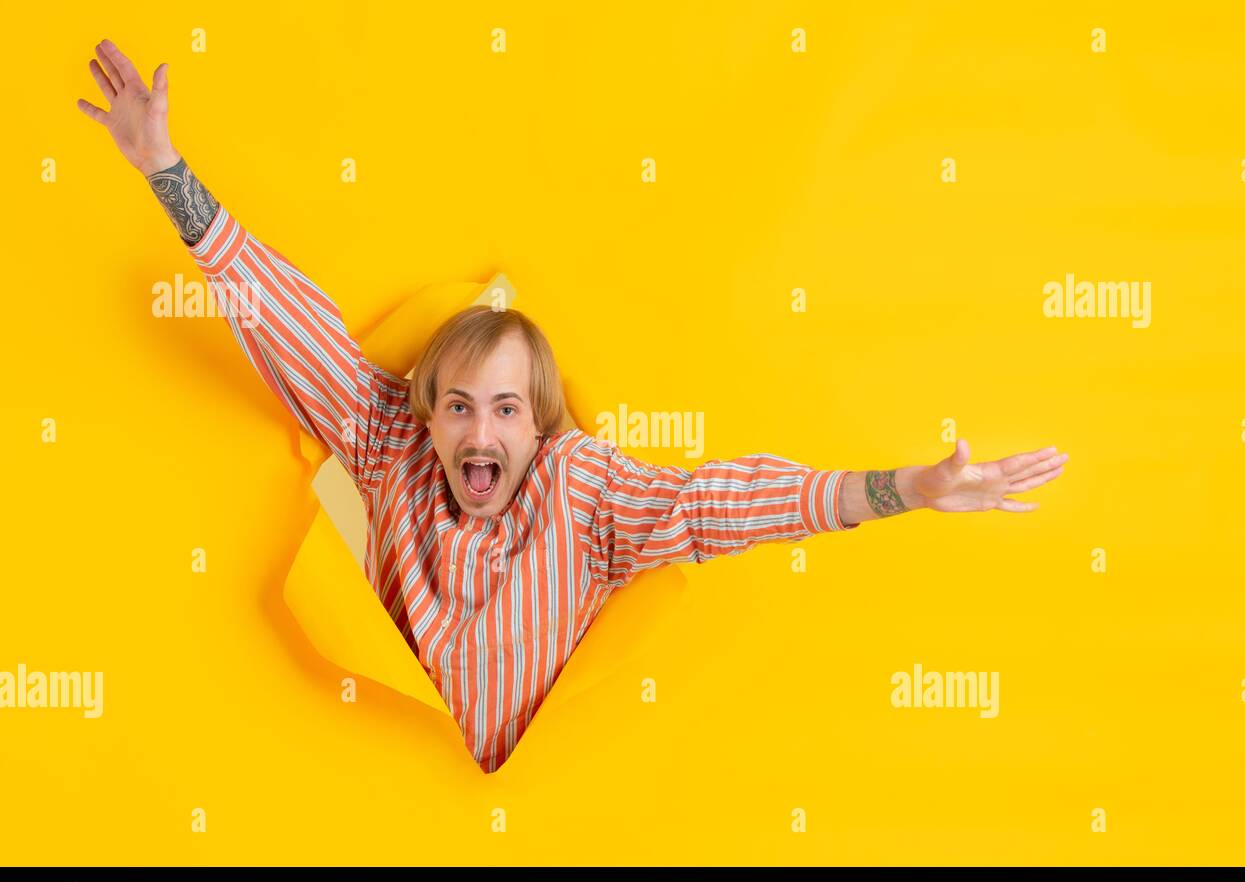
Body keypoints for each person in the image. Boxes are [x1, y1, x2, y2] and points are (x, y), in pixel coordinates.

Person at [77, 38, 1069, 773]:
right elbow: (292, 328)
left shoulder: (581, 492)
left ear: (540, 424)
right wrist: (166, 171)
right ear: (426, 413)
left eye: (507, 409)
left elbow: (722, 502)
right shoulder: (391, 443)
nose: (479, 431)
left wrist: (907, 488)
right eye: (459, 405)